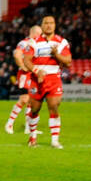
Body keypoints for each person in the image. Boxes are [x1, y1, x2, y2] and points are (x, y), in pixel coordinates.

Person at [26, 15, 72, 148]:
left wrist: (56, 55)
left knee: (54, 107)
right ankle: (32, 136)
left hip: (53, 79)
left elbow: (68, 61)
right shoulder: (34, 42)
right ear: (42, 25)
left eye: (51, 23)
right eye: (46, 23)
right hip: (37, 79)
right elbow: (26, 60)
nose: (49, 25)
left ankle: (54, 140)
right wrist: (37, 71)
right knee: (35, 109)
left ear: (55, 25)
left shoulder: (61, 42)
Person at [5, 24, 41, 135]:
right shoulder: (24, 43)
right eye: (40, 34)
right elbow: (17, 55)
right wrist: (23, 66)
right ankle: (9, 123)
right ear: (35, 33)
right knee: (24, 99)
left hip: (33, 74)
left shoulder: (35, 44)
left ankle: (28, 128)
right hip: (25, 75)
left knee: (31, 101)